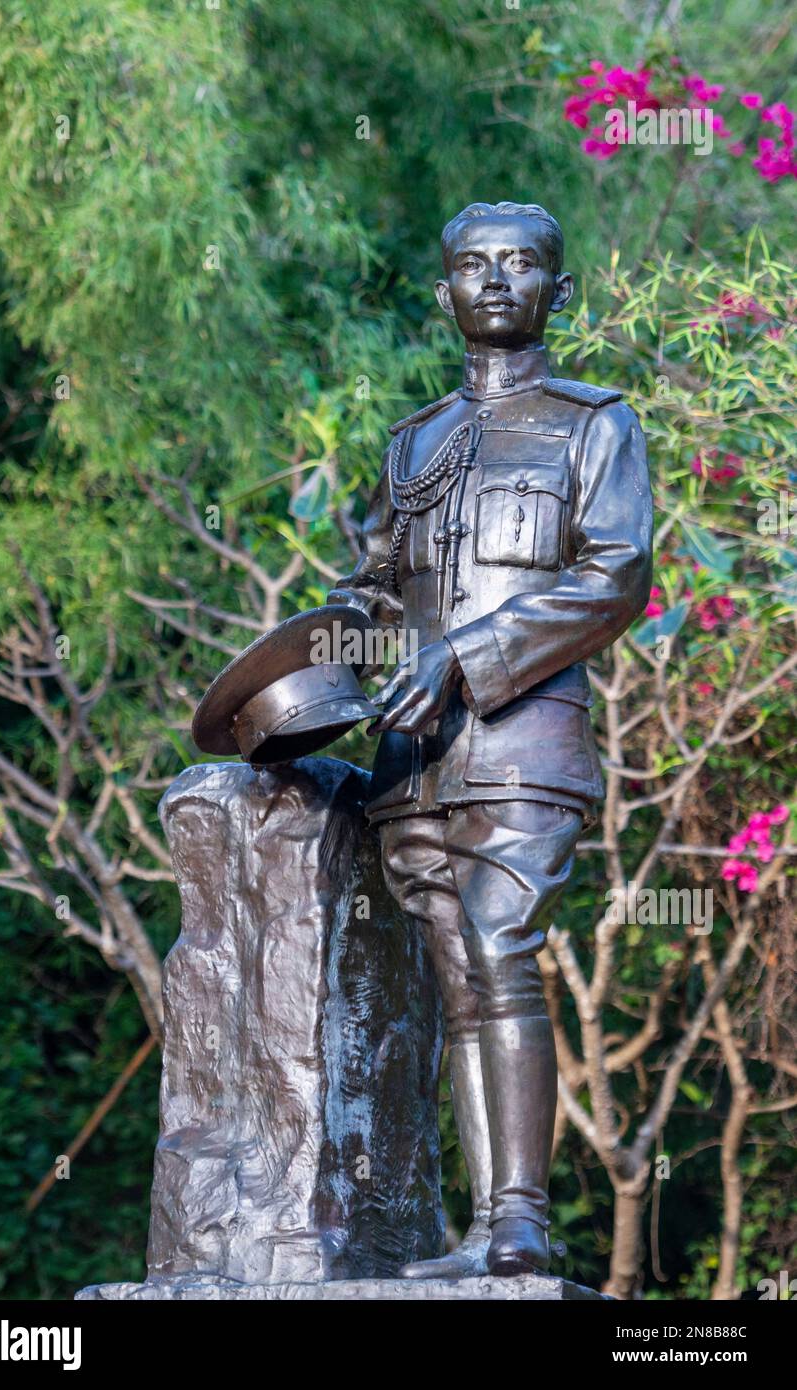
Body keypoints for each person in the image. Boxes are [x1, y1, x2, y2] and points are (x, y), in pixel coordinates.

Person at [327, 200, 653, 1277]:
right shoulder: (412, 440)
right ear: (446, 293)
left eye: (523, 265)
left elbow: (615, 575)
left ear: (561, 292)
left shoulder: (594, 422)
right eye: (475, 265)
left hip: (524, 743)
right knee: (456, 974)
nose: (498, 281)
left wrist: (466, 656)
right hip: (416, 766)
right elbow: (375, 587)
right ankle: (481, 1232)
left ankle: (520, 1219)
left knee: (503, 945)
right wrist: (322, 647)